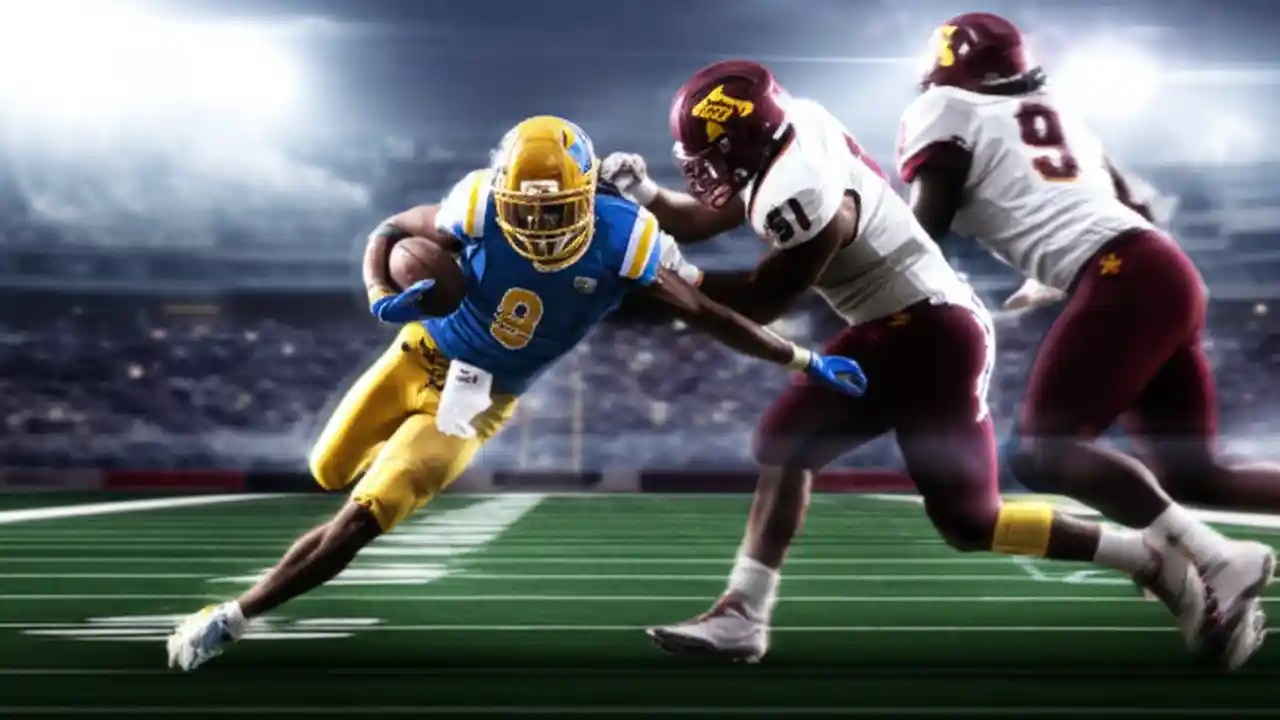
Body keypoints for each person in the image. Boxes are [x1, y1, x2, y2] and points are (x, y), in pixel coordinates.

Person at [165, 114, 867, 671]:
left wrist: (801, 357)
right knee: (327, 470)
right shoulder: (473, 202)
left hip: (474, 404)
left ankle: (237, 615)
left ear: (589, 197)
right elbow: (389, 231)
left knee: (361, 515)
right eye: (523, 213)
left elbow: (712, 314)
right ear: (499, 194)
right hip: (418, 353)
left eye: (556, 211)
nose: (536, 226)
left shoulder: (627, 241)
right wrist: (382, 291)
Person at [602, 61, 1220, 666]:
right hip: (917, 326)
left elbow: (764, 301)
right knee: (969, 521)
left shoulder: (806, 193)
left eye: (713, 158)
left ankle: (744, 612)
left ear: (750, 141)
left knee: (788, 441)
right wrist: (650, 199)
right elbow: (719, 209)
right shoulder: (791, 132)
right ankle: (1143, 556)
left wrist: (669, 276)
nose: (706, 173)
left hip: (926, 328)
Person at [897, 12, 1274, 669]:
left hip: (1122, 272)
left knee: (1043, 453)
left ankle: (1219, 558)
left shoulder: (941, 105)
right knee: (1195, 472)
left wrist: (872, 280)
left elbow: (924, 225)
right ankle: (1211, 562)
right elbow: (1137, 211)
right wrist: (1055, 272)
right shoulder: (1058, 112)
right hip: (1164, 268)